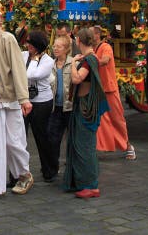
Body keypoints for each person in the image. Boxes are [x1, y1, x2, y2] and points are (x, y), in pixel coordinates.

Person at [0, 3, 34, 197]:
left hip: (9, 99)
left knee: (14, 141)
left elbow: (18, 69)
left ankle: (23, 174)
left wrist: (24, 98)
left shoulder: (7, 38)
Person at [63, 27, 108, 199]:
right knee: (79, 144)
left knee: (85, 146)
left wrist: (73, 62)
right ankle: (81, 181)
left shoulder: (89, 59)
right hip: (81, 105)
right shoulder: (90, 58)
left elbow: (76, 78)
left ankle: (91, 185)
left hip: (86, 108)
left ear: (78, 41)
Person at [93, 28, 136, 160]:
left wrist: (91, 60)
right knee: (99, 121)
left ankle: (128, 146)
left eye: (91, 33)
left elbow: (105, 60)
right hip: (98, 89)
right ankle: (96, 147)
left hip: (109, 88)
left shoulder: (105, 46)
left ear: (98, 35)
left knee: (117, 119)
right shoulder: (92, 48)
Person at [24, 30, 58, 182]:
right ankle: (19, 172)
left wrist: (35, 60)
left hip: (42, 102)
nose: (28, 45)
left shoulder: (48, 60)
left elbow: (32, 75)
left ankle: (49, 169)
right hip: (25, 100)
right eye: (27, 42)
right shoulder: (24, 55)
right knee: (19, 137)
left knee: (41, 136)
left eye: (31, 43)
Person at [48, 35, 73, 181]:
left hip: (69, 107)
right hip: (55, 108)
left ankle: (71, 168)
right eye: (54, 46)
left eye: (59, 46)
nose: (55, 49)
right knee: (52, 139)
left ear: (66, 49)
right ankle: (52, 169)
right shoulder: (50, 64)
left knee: (72, 140)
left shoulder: (73, 63)